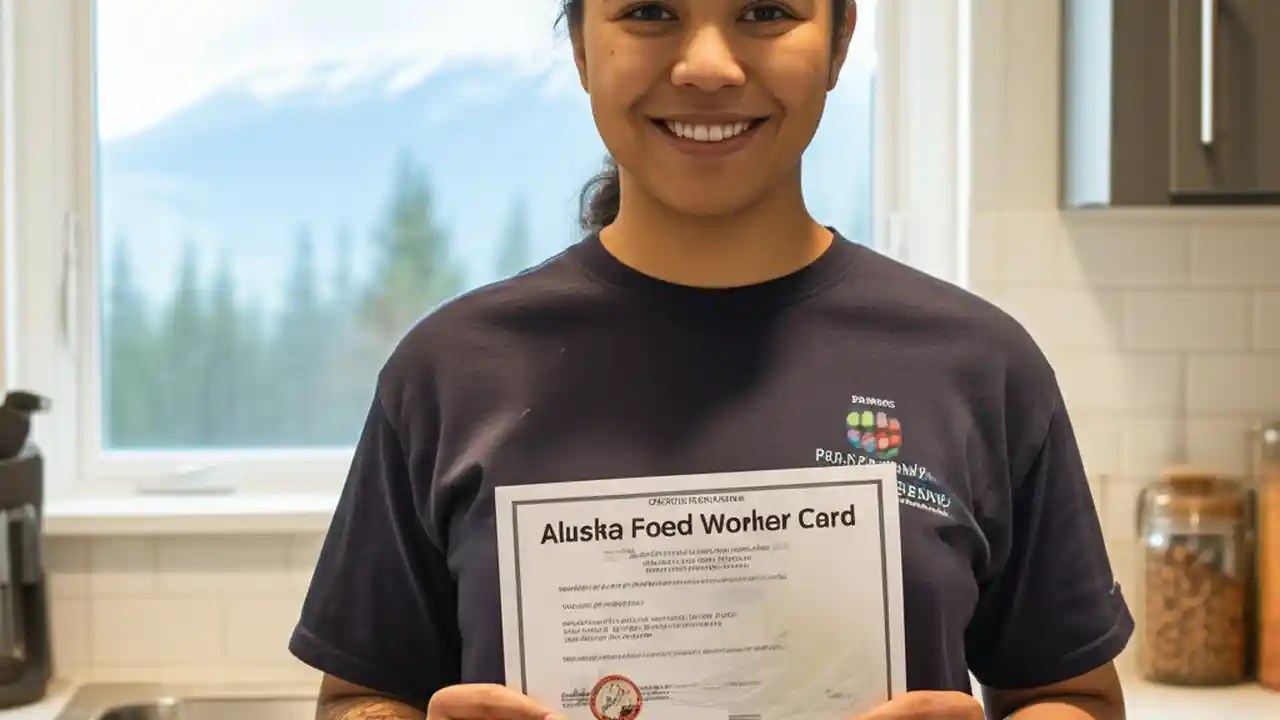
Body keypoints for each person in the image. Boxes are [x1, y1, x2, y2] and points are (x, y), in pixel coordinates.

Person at [288, 0, 1134, 718]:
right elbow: (359, 696)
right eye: (651, 11)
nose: (707, 65)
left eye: (765, 11)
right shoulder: (450, 372)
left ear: (839, 43)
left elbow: (1074, 694)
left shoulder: (978, 366)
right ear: (583, 47)